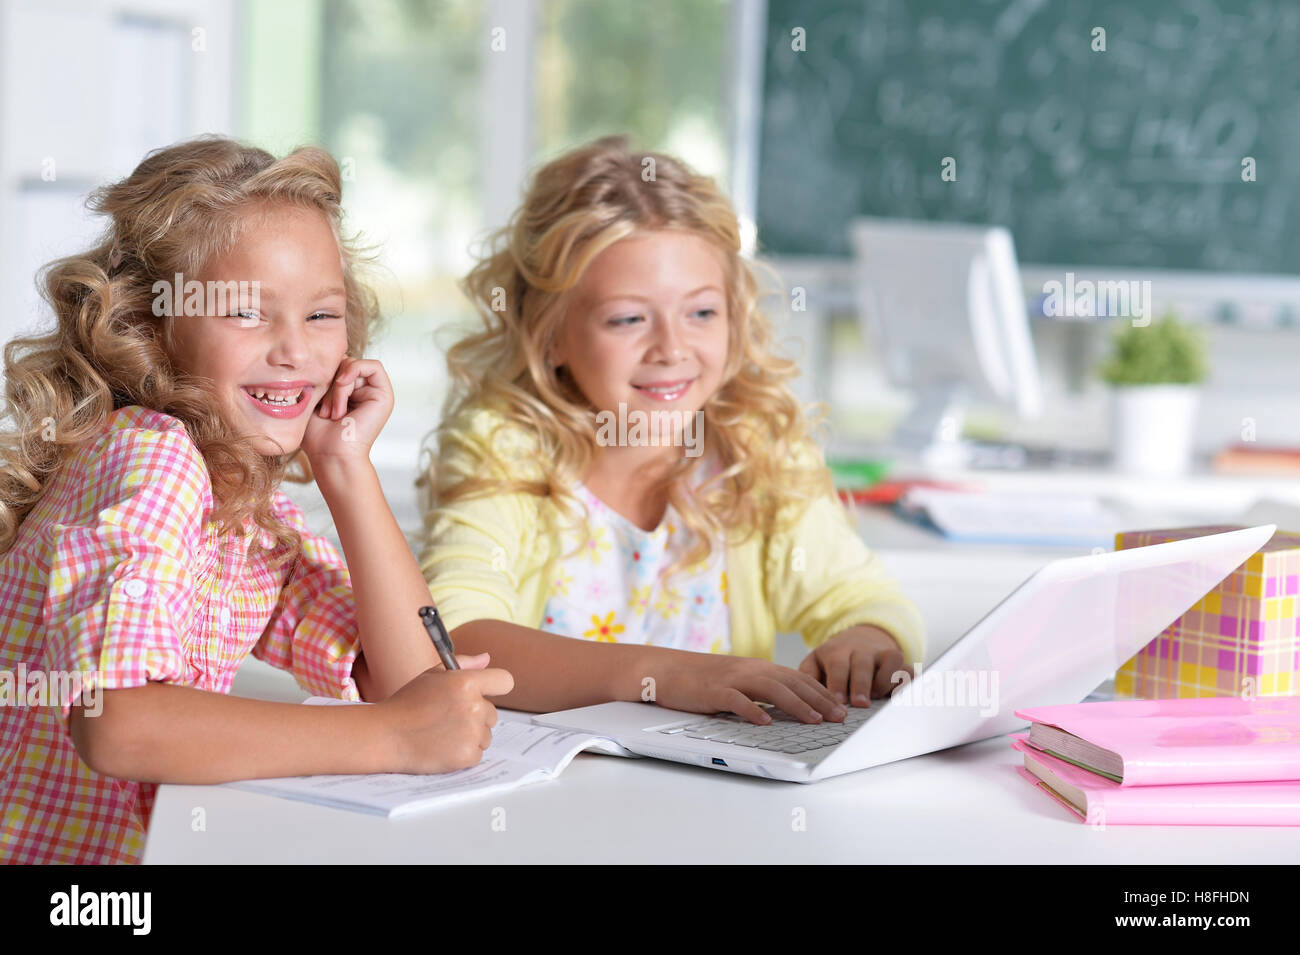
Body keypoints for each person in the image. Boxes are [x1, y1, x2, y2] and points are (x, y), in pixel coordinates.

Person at [0, 136, 511, 864]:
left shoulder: (248, 509)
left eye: (321, 315)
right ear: (150, 323)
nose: (294, 350)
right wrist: (397, 736)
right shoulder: (150, 457)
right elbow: (116, 722)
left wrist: (347, 469)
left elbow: (405, 677)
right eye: (246, 312)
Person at [417, 136, 923, 727]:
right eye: (629, 318)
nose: (672, 348)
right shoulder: (504, 446)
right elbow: (460, 638)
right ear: (550, 334)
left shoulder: (754, 445)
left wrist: (868, 639)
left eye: (702, 312)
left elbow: (860, 597)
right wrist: (666, 678)